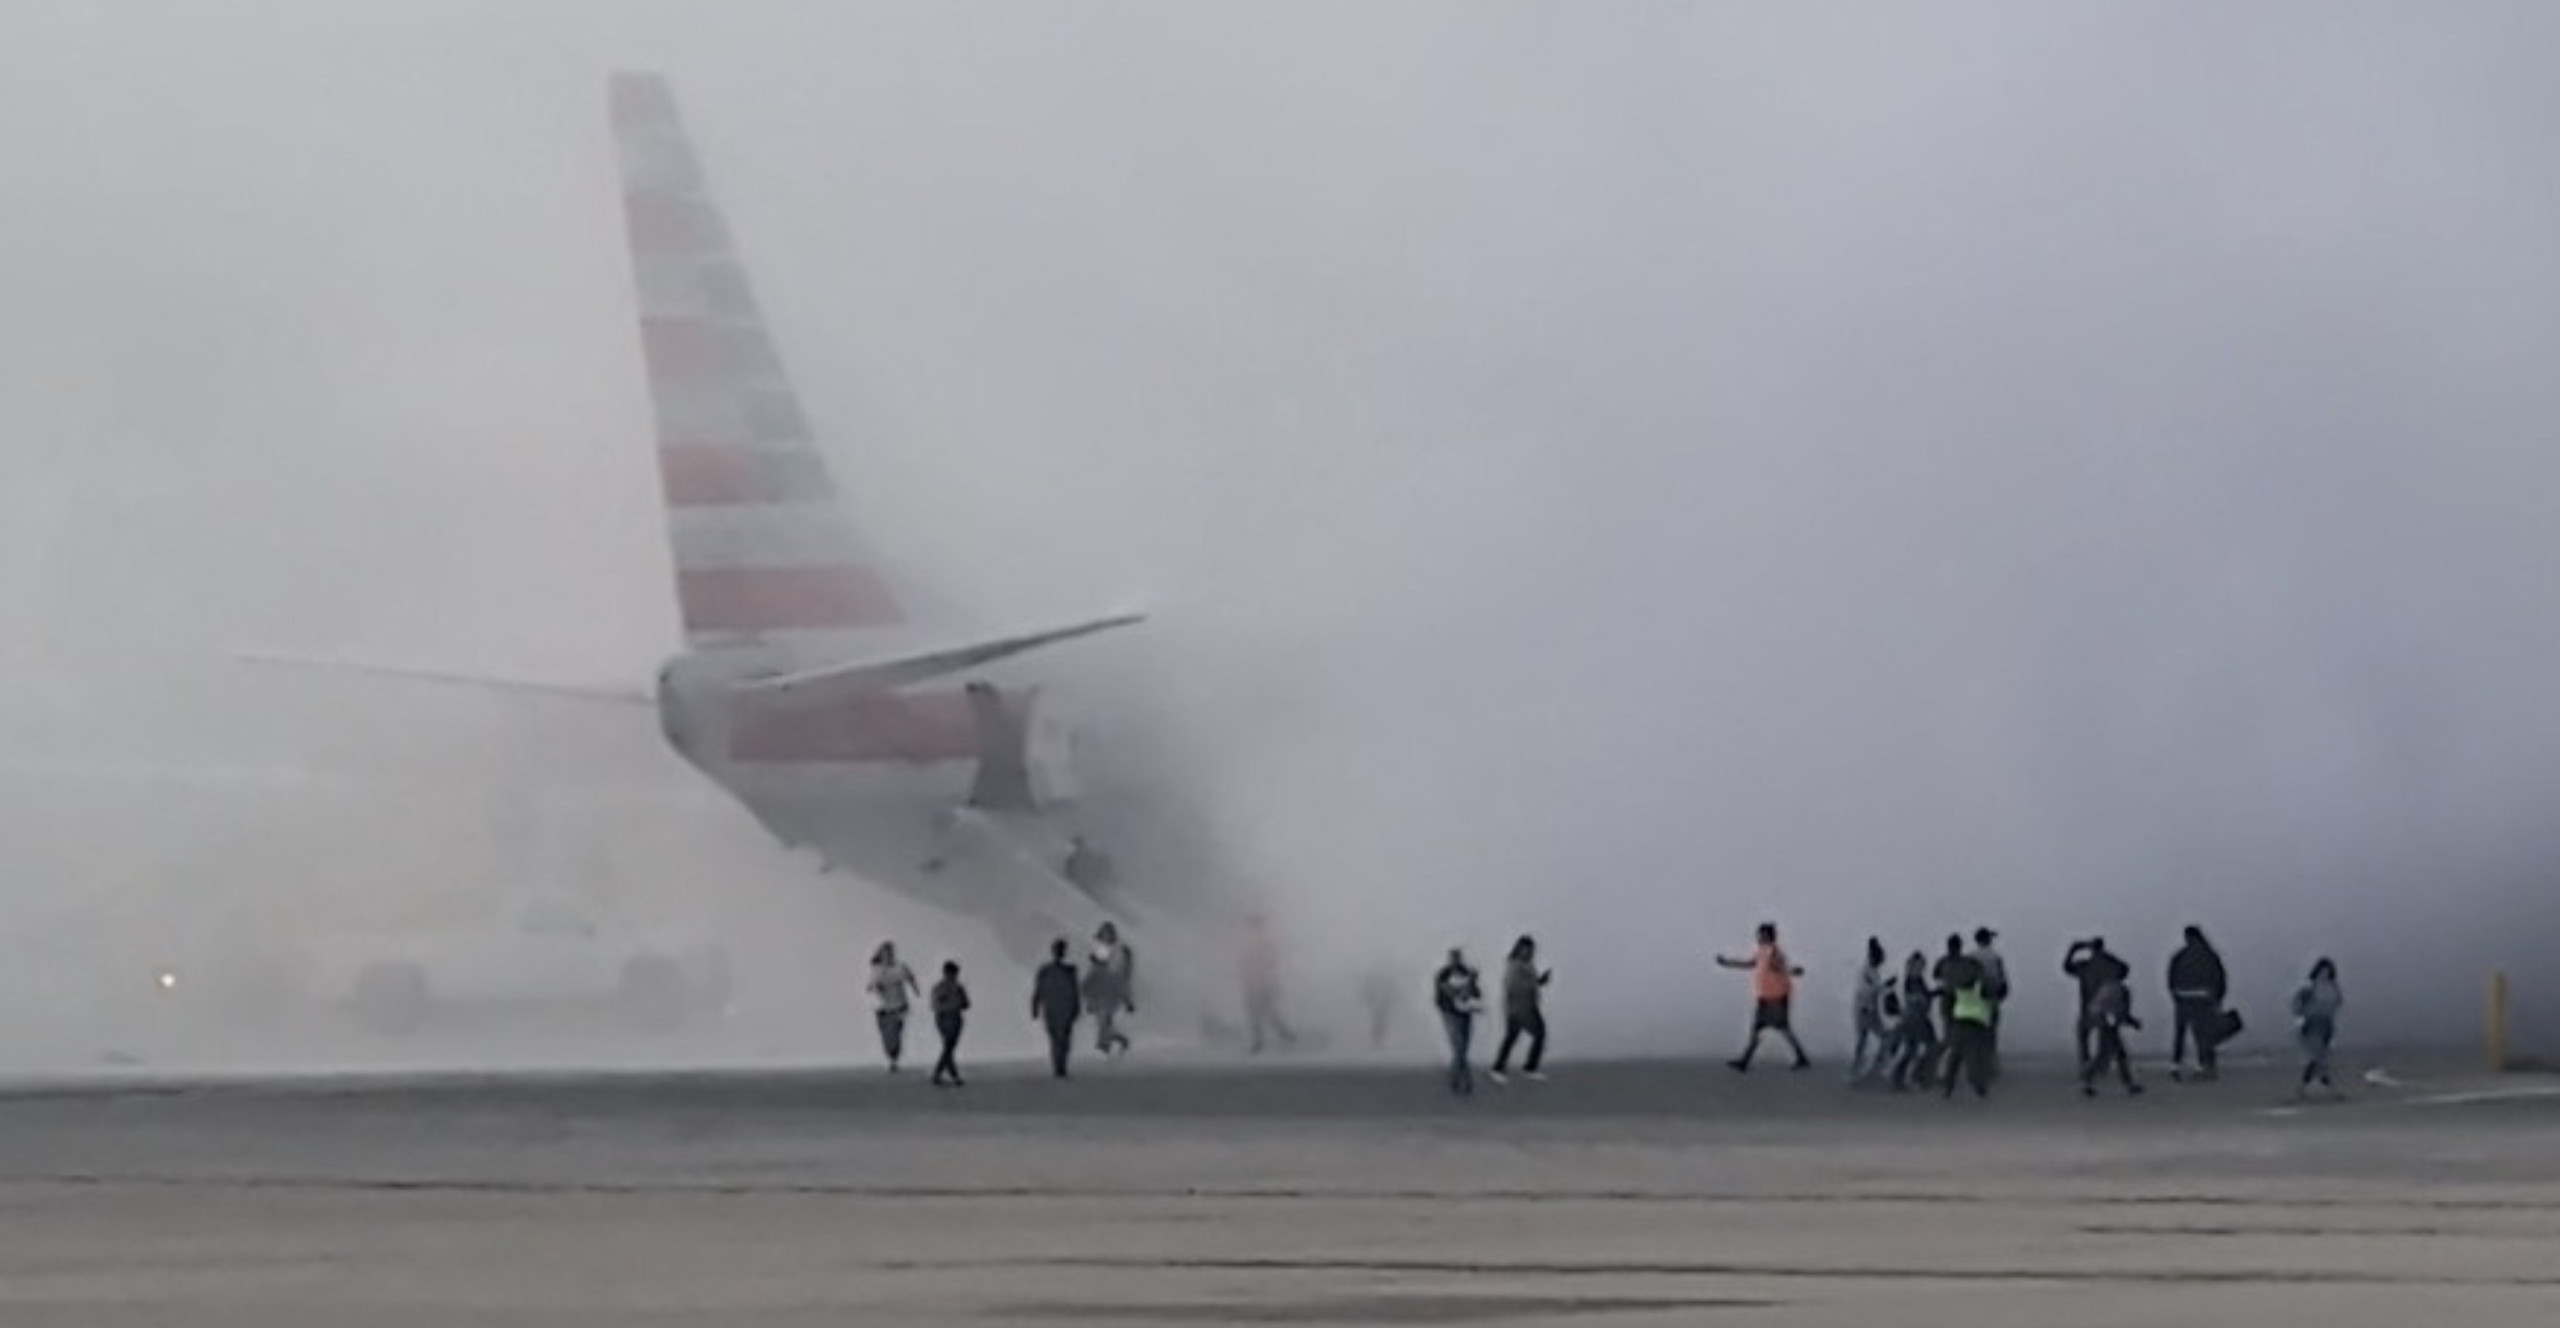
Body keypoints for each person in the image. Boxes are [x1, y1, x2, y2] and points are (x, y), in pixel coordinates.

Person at [1719, 922, 1811, 1072]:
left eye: (1761, 934)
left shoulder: (1774, 952)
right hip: (1765, 995)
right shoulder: (1762, 951)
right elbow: (1750, 964)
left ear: (1769, 936)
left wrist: (1794, 971)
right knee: (1762, 1028)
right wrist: (1728, 963)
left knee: (1780, 1028)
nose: (1758, 937)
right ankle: (1745, 1060)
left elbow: (1781, 967)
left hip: (1776, 996)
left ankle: (1746, 1061)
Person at [2167, 925, 2231, 1081]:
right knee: (2204, 1035)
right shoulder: (2210, 955)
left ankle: (2176, 1065)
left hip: (2183, 998)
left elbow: (2171, 978)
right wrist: (2218, 998)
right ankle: (2205, 1065)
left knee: (2180, 1034)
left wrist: (2175, 996)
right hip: (2204, 999)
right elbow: (2220, 978)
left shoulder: (2179, 956)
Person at [2063, 937, 2131, 1073]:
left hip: (2091, 1010)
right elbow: (2124, 969)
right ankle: (2095, 1069)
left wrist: (2073, 950)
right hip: (2102, 1011)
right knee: (2109, 1041)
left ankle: (2088, 1068)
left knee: (2088, 1039)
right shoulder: (2108, 967)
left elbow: (2067, 967)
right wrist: (2106, 954)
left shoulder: (2086, 967)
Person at [1490, 935, 1551, 1084]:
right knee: (1540, 1033)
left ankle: (1498, 1068)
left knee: (1511, 1037)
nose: (1530, 952)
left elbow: (1530, 982)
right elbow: (1514, 986)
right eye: (1527, 949)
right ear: (1519, 949)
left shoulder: (1527, 964)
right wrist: (1534, 985)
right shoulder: (1515, 965)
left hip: (1523, 1006)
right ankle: (1529, 1067)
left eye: (1532, 950)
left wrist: (1540, 981)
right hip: (1521, 1007)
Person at [2079, 968, 2144, 1097]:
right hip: (2108, 1024)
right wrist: (2133, 1022)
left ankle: (2128, 1084)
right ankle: (2087, 1079)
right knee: (2108, 1056)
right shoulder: (2121, 990)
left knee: (2113, 1055)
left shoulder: (2106, 987)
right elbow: (2121, 1011)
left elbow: (2095, 1007)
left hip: (2103, 1022)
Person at [1941, 956, 1997, 1099]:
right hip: (1977, 1024)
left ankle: (1948, 1087)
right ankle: (1979, 1086)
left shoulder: (1956, 985)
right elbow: (1993, 1000)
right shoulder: (1983, 985)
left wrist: (1948, 1020)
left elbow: (1947, 1004)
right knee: (1974, 1057)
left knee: (1955, 1057)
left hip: (1959, 1022)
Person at [1239, 914, 1297, 1054]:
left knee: (1259, 1011)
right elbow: (1270, 962)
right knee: (1262, 1011)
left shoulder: (1260, 942)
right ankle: (1281, 1034)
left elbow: (1269, 962)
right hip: (1258, 982)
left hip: (1260, 982)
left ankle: (1267, 1038)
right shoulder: (1260, 941)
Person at [1433, 948, 1484, 1096]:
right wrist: (1469, 984)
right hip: (1450, 1013)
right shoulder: (1443, 974)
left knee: (1462, 1049)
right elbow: (1450, 992)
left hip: (1465, 1014)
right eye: (1453, 958)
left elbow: (1476, 994)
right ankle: (1465, 1081)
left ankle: (1456, 1079)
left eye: (1457, 958)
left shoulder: (1466, 972)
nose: (1455, 960)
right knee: (1459, 1047)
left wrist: (1473, 983)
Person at [2292, 958, 2344, 1099]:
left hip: (2326, 1026)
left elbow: (2337, 1004)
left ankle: (2304, 1088)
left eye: (2327, 971)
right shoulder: (2309, 989)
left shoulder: (2334, 988)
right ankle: (2329, 1089)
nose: (2324, 974)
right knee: (2317, 1059)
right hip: (2312, 1026)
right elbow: (2297, 1007)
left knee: (2320, 1060)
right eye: (2322, 971)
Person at [1030, 938, 1082, 1079]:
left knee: (1061, 1040)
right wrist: (1035, 1006)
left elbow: (1075, 991)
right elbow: (1038, 990)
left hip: (1062, 1009)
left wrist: (1035, 1006)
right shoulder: (1049, 971)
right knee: (1058, 1039)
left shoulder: (1067, 971)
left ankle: (1060, 1066)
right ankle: (1059, 1066)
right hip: (1054, 1009)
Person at [1083, 922, 1135, 1057]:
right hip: (1101, 991)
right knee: (1104, 1021)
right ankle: (1114, 1042)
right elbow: (1093, 972)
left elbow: (1123, 976)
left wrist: (1127, 998)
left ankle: (1106, 1044)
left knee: (1104, 1020)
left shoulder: (1118, 951)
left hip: (1111, 991)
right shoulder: (1102, 949)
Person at [1888, 951, 1939, 1091]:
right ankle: (1918, 1076)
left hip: (1911, 1017)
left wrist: (1933, 994)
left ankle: (1899, 1078)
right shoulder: (1912, 980)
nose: (1923, 967)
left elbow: (1921, 997)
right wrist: (1933, 995)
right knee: (1930, 1047)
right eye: (1921, 965)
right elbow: (1918, 999)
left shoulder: (1913, 980)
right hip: (1916, 1018)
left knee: (1912, 1050)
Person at [867, 942, 920, 1073]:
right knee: (886, 1034)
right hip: (883, 1008)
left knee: (896, 1033)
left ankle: (893, 1060)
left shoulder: (900, 967)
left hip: (899, 1006)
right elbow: (871, 986)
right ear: (881, 954)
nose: (889, 955)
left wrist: (916, 991)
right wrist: (876, 988)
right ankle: (891, 1057)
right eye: (885, 953)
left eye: (890, 952)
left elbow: (911, 977)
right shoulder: (876, 969)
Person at [1850, 937, 1891, 1084]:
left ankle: (1861, 1070)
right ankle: (1870, 1070)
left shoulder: (1871, 971)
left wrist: (1884, 987)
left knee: (1864, 1041)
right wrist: (1883, 987)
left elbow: (1874, 989)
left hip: (1868, 1010)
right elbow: (1867, 990)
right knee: (1881, 1038)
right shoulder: (1866, 972)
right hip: (1865, 1010)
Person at [1971, 926, 2009, 1080]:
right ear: (1987, 939)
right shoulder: (1995, 957)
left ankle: (1977, 1065)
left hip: (1974, 999)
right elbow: (2002, 980)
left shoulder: (1970, 957)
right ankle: (1989, 1066)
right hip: (1991, 997)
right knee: (1990, 1034)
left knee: (1976, 1034)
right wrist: (2001, 995)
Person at [929, 959, 971, 1087]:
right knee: (948, 1047)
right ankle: (948, 1075)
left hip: (952, 1018)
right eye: (952, 973)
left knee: (949, 1048)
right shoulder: (942, 988)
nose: (953, 976)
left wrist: (958, 1003)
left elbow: (966, 1004)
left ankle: (946, 1075)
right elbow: (935, 1005)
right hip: (946, 1017)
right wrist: (954, 1003)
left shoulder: (957, 987)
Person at [1361, 967, 1399, 1049]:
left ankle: (1378, 1041)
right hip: (1379, 1011)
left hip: (1380, 1011)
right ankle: (1377, 1041)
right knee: (1378, 1022)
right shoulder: (1375, 992)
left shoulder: (1381, 996)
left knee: (1379, 1022)